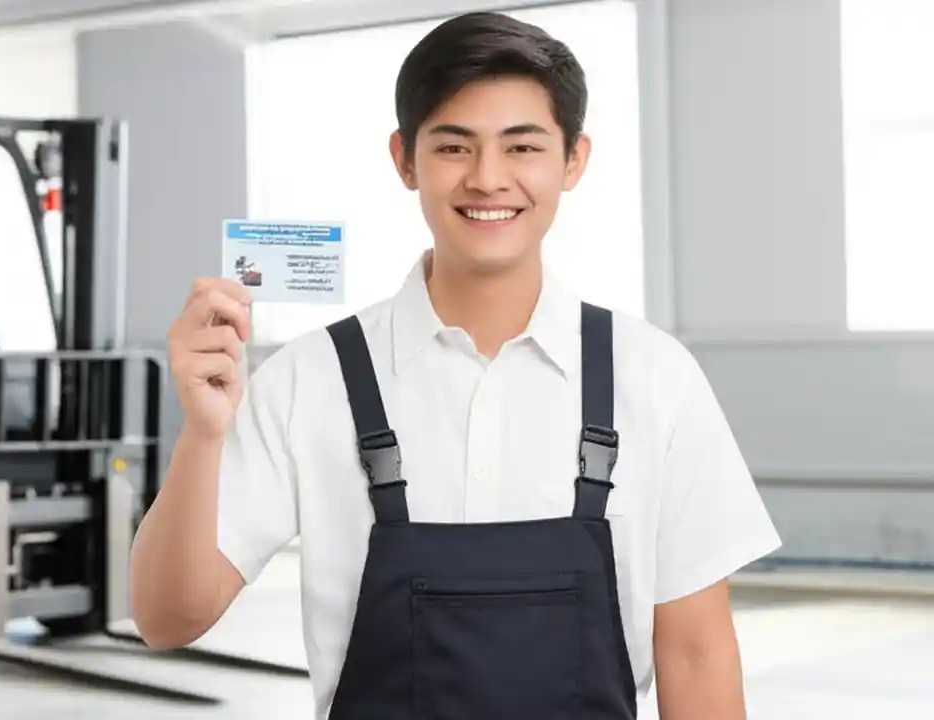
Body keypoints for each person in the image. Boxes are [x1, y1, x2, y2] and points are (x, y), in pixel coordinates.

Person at [130, 11, 781, 719]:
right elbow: (168, 619)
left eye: (522, 146)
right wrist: (201, 432)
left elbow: (696, 655)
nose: (488, 178)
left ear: (573, 160)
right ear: (405, 160)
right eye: (454, 147)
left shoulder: (655, 379)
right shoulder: (309, 378)